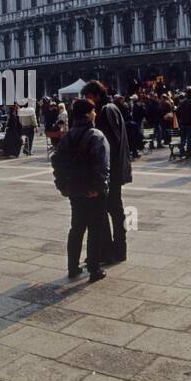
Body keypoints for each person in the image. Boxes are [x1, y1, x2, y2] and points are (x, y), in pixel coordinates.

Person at [51, 98, 110, 282]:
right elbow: (102, 165)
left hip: (74, 190)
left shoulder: (67, 136)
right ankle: (94, 269)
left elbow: (56, 161)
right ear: (87, 114)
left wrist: (63, 186)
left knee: (76, 228)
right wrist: (97, 188)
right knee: (95, 229)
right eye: (93, 111)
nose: (95, 113)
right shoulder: (96, 135)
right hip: (93, 192)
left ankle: (72, 267)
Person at [83, 80, 132, 264]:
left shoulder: (106, 111)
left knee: (111, 210)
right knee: (110, 210)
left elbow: (110, 143)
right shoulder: (110, 108)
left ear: (96, 95)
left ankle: (115, 251)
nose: (88, 102)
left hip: (111, 171)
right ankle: (111, 250)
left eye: (89, 97)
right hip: (112, 170)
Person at [177, 88, 191, 159]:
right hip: (190, 123)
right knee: (189, 138)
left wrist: (180, 119)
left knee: (183, 138)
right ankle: (188, 153)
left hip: (182, 122)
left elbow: (178, 112)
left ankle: (182, 151)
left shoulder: (181, 102)